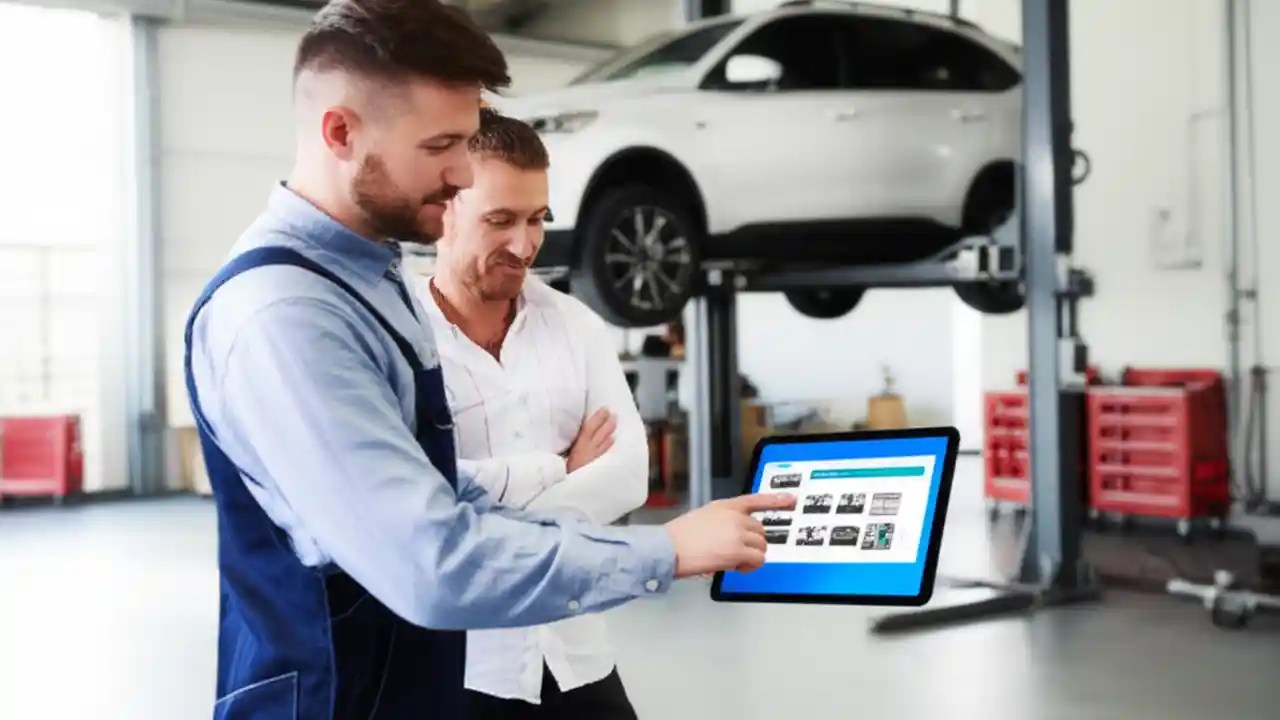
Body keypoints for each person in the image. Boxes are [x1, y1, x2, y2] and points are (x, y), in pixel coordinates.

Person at [182, 1, 793, 718]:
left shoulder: (371, 280)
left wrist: (666, 535)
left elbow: (445, 495)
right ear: (340, 132)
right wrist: (662, 553)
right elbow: (430, 562)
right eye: (441, 146)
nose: (463, 176)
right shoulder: (287, 317)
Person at [413, 109, 647, 718]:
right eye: (501, 221)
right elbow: (424, 499)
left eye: (537, 218)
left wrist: (487, 528)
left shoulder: (575, 325)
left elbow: (629, 473)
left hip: (575, 651)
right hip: (460, 667)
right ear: (445, 209)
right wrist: (561, 469)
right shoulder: (397, 334)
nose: (526, 244)